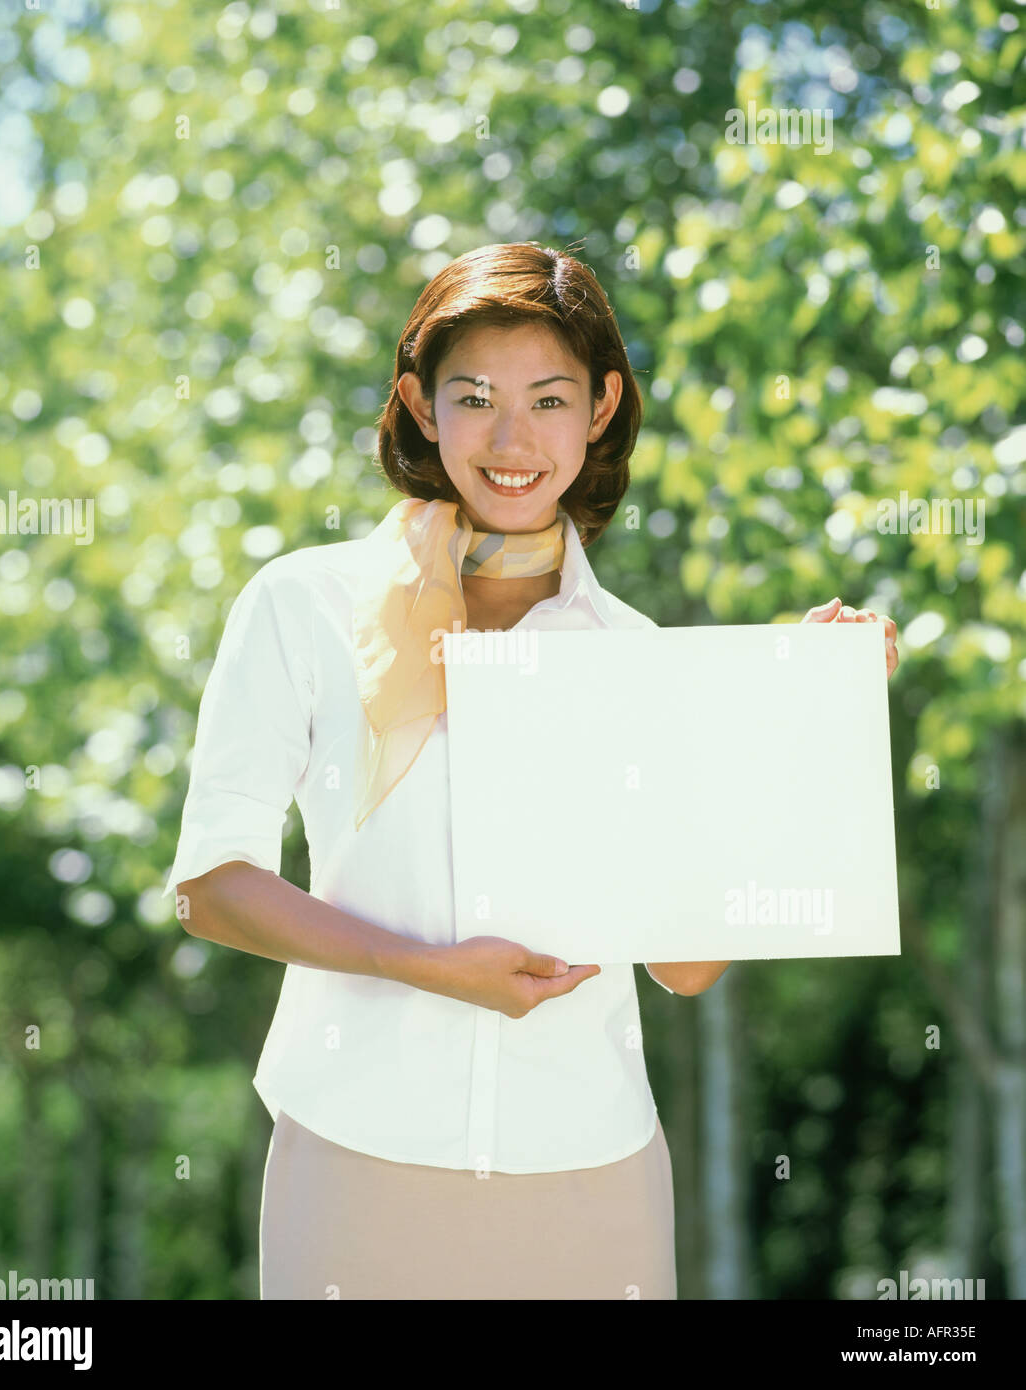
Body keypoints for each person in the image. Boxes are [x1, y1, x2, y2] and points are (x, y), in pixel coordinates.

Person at [162, 241, 900, 1300]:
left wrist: (791, 723)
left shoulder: (637, 655)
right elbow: (210, 887)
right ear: (419, 405)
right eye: (474, 398)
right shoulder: (302, 604)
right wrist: (423, 966)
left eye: (547, 399)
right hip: (356, 1154)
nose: (512, 441)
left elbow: (682, 968)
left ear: (600, 407)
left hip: (588, 1175)